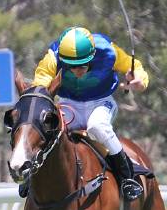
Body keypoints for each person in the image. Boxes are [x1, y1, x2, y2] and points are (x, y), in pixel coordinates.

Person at [31, 26, 148, 200]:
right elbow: (40, 83)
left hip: (101, 102)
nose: (77, 71)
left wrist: (139, 80)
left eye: (83, 65)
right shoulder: (53, 57)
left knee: (97, 126)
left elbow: (134, 66)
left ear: (93, 55)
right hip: (69, 103)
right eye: (72, 66)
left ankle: (127, 178)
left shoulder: (108, 51)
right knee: (47, 127)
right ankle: (32, 176)